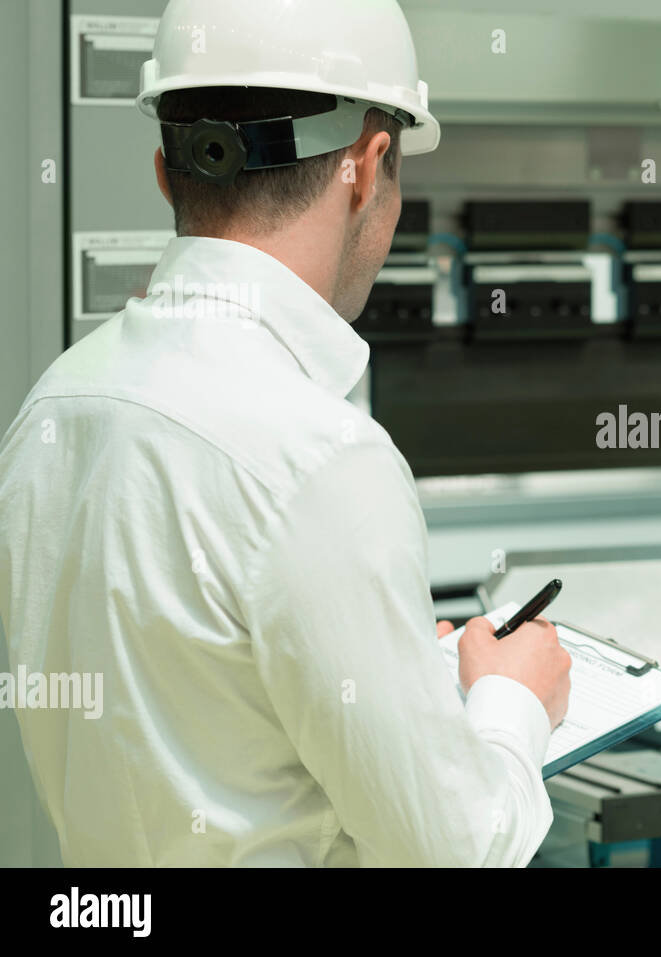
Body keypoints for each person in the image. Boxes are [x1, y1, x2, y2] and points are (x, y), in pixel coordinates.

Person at [0, 0, 570, 866]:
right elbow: (458, 848)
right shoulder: (320, 460)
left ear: (166, 169)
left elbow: (205, 707)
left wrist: (395, 667)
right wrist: (512, 700)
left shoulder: (52, 410)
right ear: (369, 166)